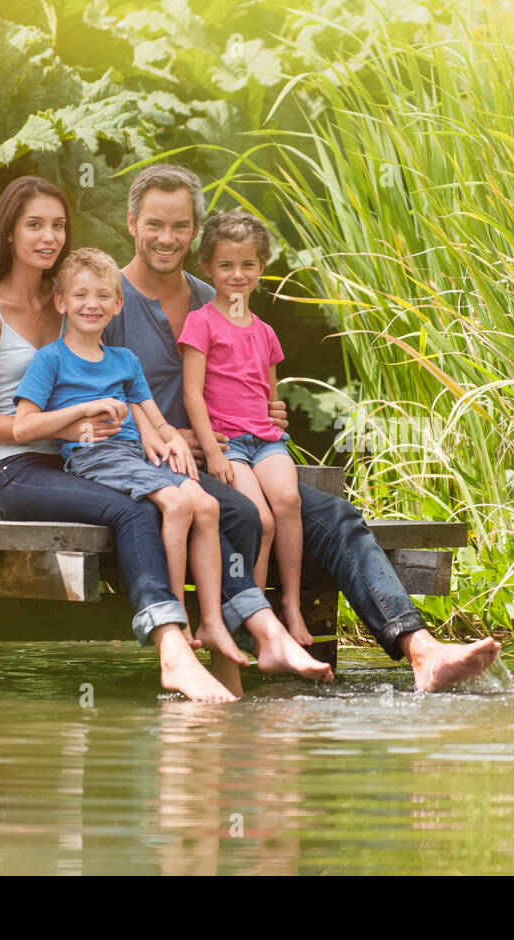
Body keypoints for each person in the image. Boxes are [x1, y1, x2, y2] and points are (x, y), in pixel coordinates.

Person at [106, 164, 501, 691]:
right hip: (165, 470)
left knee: (336, 516)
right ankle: (239, 666)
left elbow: (249, 366)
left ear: (196, 232)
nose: (167, 238)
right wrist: (176, 437)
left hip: (240, 452)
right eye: (155, 224)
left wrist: (267, 408)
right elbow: (92, 398)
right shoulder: (105, 300)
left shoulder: (216, 293)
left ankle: (420, 649)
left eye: (180, 226)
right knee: (244, 515)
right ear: (131, 222)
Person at [0, 176, 326, 702]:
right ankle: (172, 646)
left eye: (58, 225)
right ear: (8, 233)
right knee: (140, 510)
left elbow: (126, 387)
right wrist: (71, 423)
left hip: (97, 456)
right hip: (26, 468)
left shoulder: (76, 299)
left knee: (235, 510)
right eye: (33, 225)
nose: (48, 236)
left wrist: (241, 414)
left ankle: (242, 644)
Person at [11, 247, 261, 690]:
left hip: (138, 456)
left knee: (205, 505)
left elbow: (157, 418)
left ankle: (213, 621)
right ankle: (178, 621)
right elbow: (23, 428)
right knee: (178, 505)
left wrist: (173, 444)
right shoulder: (51, 359)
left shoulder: (125, 360)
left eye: (104, 295)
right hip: (94, 457)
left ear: (118, 304)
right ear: (61, 301)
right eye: (81, 295)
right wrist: (83, 410)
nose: (93, 304)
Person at [179, 213, 312, 647]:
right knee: (261, 520)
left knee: (288, 500)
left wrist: (275, 415)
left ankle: (289, 604)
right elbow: (192, 395)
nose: (237, 275)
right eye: (226, 266)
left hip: (266, 441)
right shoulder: (201, 323)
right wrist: (213, 454)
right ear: (207, 268)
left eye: (248, 265)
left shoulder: (266, 332)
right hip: (229, 444)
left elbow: (270, 399)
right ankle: (251, 619)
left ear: (262, 267)